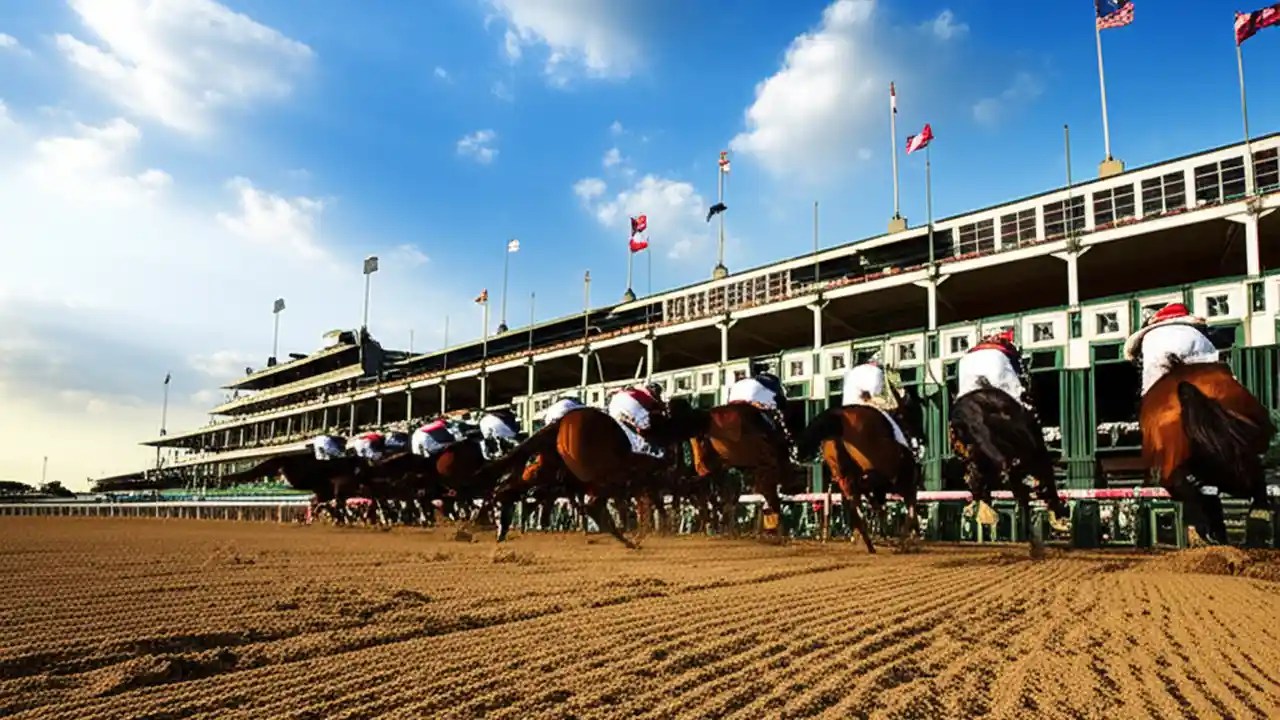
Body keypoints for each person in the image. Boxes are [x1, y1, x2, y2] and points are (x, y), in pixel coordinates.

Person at [1124, 302, 1219, 395]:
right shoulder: (1198, 334)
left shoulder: (1150, 336)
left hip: (1156, 345)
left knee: (1152, 390)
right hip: (1194, 340)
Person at [841, 356, 911, 450]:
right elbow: (870, 397)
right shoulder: (874, 373)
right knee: (896, 432)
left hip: (848, 411)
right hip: (863, 409)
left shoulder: (851, 374)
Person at [957, 328, 1029, 406]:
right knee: (1012, 393)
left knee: (966, 396)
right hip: (996, 356)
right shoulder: (1006, 348)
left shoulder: (971, 353)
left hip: (968, 359)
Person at [606, 382, 666, 458]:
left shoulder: (625, 394)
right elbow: (646, 424)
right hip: (629, 410)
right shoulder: (645, 398)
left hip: (616, 408)